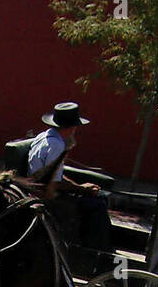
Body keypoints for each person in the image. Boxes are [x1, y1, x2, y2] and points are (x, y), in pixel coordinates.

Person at [26, 102, 111, 258]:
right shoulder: (56, 145)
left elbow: (55, 174)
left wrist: (80, 187)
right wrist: (81, 189)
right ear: (71, 128)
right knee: (97, 204)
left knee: (101, 196)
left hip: (40, 187)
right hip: (46, 195)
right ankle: (98, 252)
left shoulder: (43, 136)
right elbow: (55, 183)